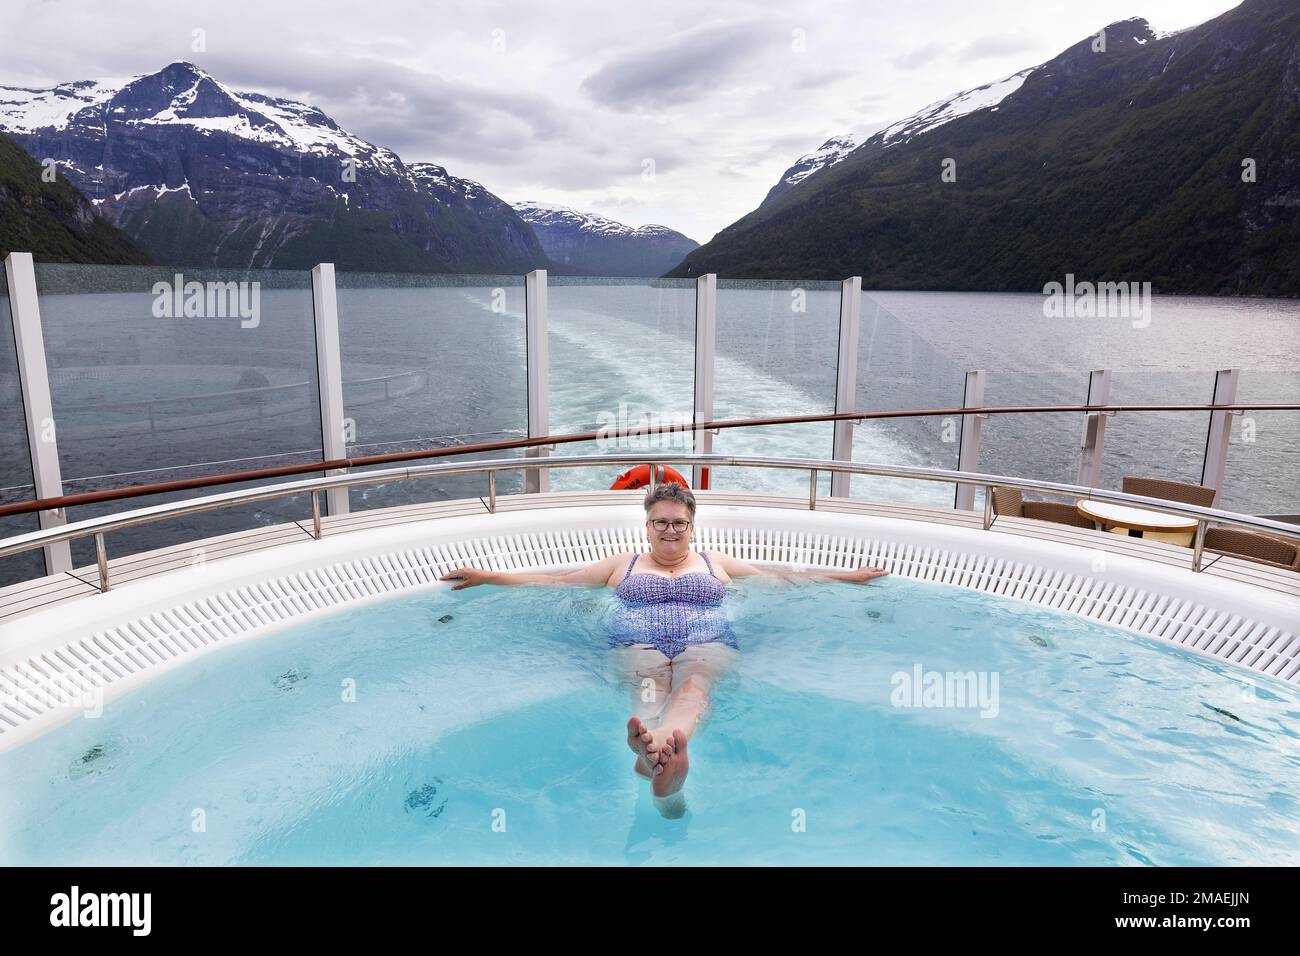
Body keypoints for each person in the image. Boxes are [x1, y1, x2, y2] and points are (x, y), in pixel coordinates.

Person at [440, 481, 888, 816]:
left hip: (706, 640)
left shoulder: (714, 562)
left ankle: (657, 747)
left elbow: (781, 577)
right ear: (647, 526)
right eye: (661, 522)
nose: (670, 529)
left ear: (692, 527)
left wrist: (846, 577)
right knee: (649, 687)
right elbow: (557, 582)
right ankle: (659, 753)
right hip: (638, 641)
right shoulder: (623, 564)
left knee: (693, 686)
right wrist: (489, 576)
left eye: (678, 522)